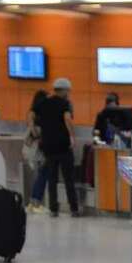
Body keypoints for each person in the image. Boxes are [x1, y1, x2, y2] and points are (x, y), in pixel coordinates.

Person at [30, 77, 80, 216]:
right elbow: (67, 119)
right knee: (68, 179)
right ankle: (74, 209)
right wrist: (72, 136)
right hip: (63, 146)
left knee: (52, 179)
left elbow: (31, 114)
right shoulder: (65, 103)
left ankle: (53, 209)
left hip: (48, 146)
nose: (68, 93)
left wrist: (33, 129)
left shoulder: (43, 102)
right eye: (68, 90)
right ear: (63, 90)